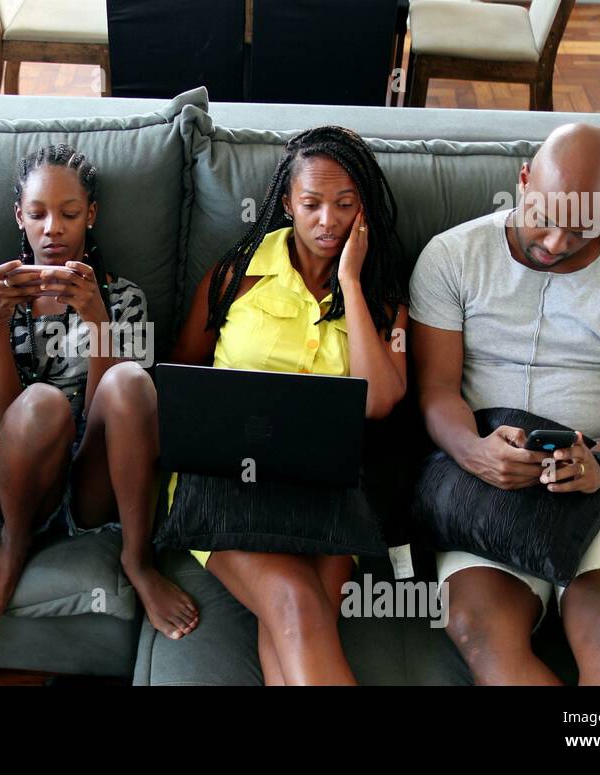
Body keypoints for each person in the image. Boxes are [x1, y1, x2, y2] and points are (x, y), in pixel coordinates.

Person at [411, 123, 600, 685]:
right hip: (489, 470)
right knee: (479, 629)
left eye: (583, 228)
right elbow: (437, 388)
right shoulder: (453, 257)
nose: (556, 243)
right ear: (523, 180)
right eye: (544, 218)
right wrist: (473, 452)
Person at [167, 126, 411, 684]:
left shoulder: (385, 301)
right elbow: (181, 382)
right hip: (227, 484)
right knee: (297, 604)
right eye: (312, 204)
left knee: (301, 620)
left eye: (346, 205)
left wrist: (350, 280)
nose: (328, 221)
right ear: (286, 205)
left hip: (329, 492)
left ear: (365, 212)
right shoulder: (235, 277)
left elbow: (380, 402)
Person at [0, 144, 199, 640]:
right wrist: (1, 326)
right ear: (19, 219)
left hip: (96, 477)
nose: (53, 229)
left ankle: (136, 559)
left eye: (69, 214)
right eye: (38, 214)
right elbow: (6, 421)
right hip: (20, 478)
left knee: (132, 379)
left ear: (90, 216)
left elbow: (112, 416)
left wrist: (98, 320)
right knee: (44, 402)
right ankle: (13, 545)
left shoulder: (125, 298)